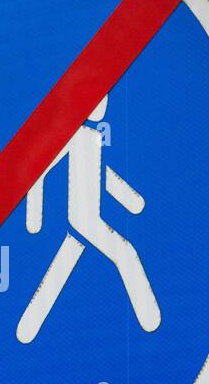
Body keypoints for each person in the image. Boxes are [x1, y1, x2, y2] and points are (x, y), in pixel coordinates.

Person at [18, 95, 161, 343]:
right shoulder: (72, 138)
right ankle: (149, 319)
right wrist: (34, 216)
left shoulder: (92, 138)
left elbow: (102, 175)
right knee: (125, 253)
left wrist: (131, 200)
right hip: (82, 220)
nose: (102, 107)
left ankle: (27, 328)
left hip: (85, 221)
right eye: (97, 101)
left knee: (59, 270)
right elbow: (41, 171)